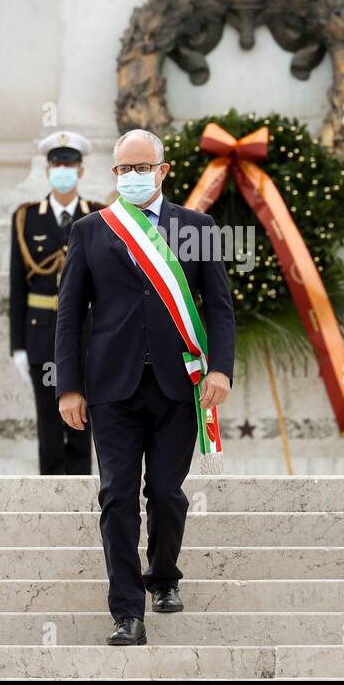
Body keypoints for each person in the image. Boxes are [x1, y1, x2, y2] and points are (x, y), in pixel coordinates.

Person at [54, 128, 236, 646]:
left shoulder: (196, 227)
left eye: (141, 168)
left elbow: (219, 308)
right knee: (116, 495)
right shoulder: (91, 229)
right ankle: (126, 610)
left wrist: (220, 369)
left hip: (179, 385)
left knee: (165, 491)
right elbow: (70, 315)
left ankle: (163, 576)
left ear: (163, 170)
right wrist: (69, 386)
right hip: (111, 386)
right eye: (123, 170)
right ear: (114, 174)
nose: (132, 177)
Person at [9, 131, 103, 474]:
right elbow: (17, 284)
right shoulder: (26, 218)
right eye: (56, 163)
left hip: (87, 332)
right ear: (48, 169)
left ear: (80, 170)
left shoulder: (98, 215)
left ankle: (80, 495)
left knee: (83, 417)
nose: (62, 170)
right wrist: (17, 345)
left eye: (70, 164)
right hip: (41, 331)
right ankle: (50, 495)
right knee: (49, 421)